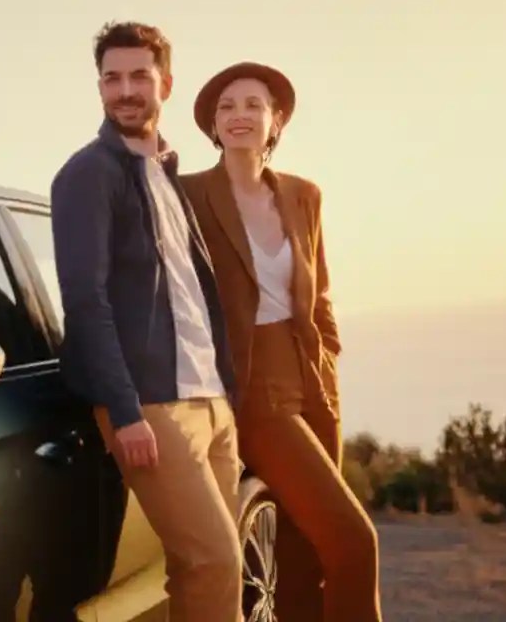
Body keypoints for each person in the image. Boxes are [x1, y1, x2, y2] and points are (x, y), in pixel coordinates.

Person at [49, 21, 243, 622]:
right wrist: (125, 411)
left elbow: (189, 293)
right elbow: (87, 302)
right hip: (152, 406)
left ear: (166, 83)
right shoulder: (87, 175)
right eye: (112, 78)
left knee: (205, 571)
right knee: (215, 562)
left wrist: (227, 395)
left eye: (139, 76)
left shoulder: (165, 172)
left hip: (209, 398)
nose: (125, 91)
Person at [180, 61, 382, 622]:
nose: (239, 115)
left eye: (252, 105)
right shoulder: (188, 196)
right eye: (226, 108)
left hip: (313, 378)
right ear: (213, 128)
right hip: (250, 386)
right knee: (351, 541)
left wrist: (329, 358)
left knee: (304, 552)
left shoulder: (303, 196)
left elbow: (319, 297)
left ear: (276, 120)